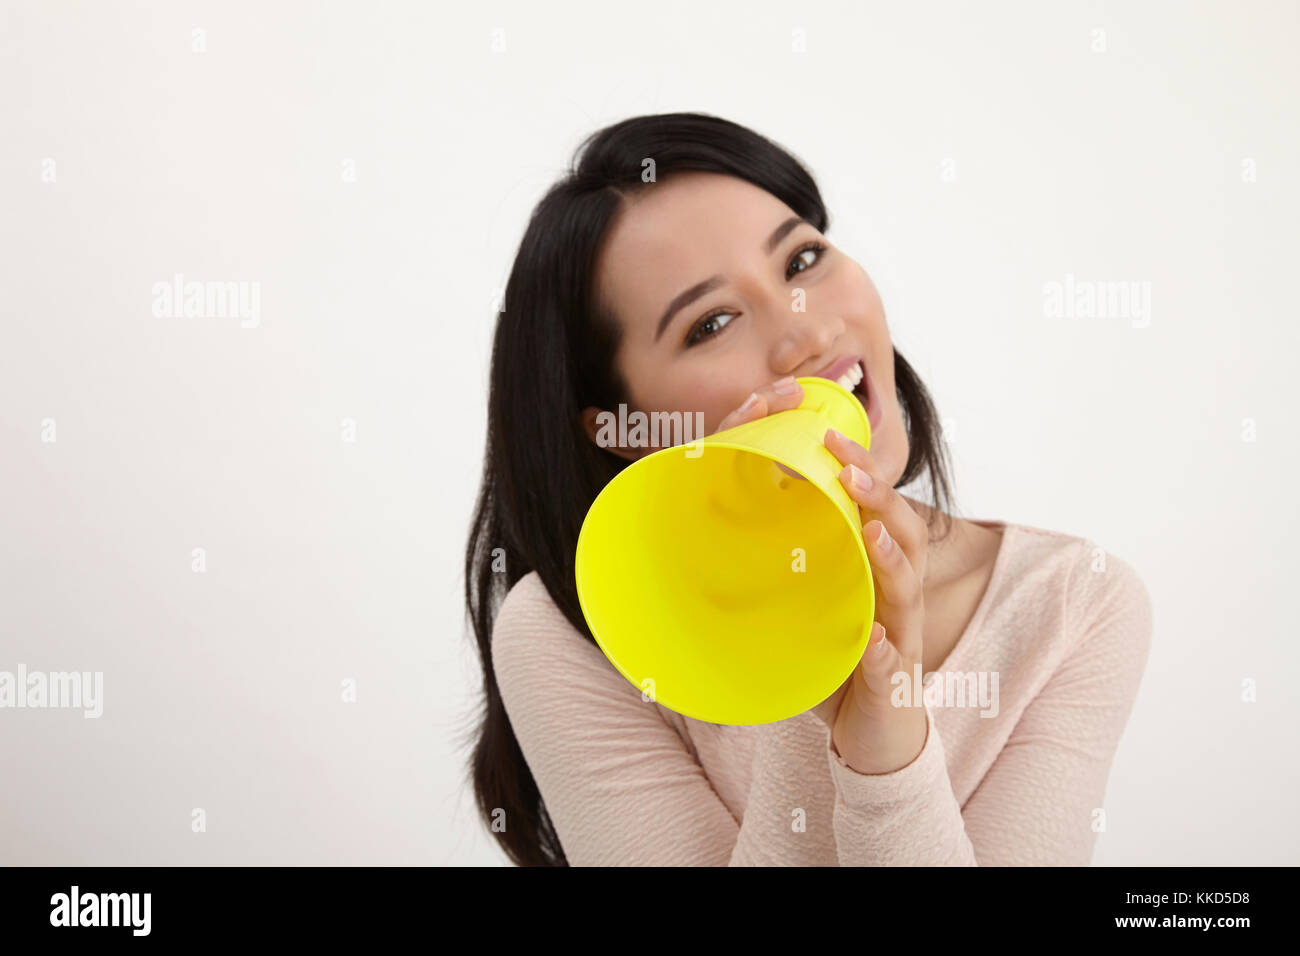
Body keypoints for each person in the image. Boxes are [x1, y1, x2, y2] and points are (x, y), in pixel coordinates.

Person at [462, 112, 1153, 866]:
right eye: (712, 321)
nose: (809, 336)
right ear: (625, 428)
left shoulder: (1076, 604)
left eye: (800, 261)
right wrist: (800, 639)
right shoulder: (571, 628)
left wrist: (886, 760)